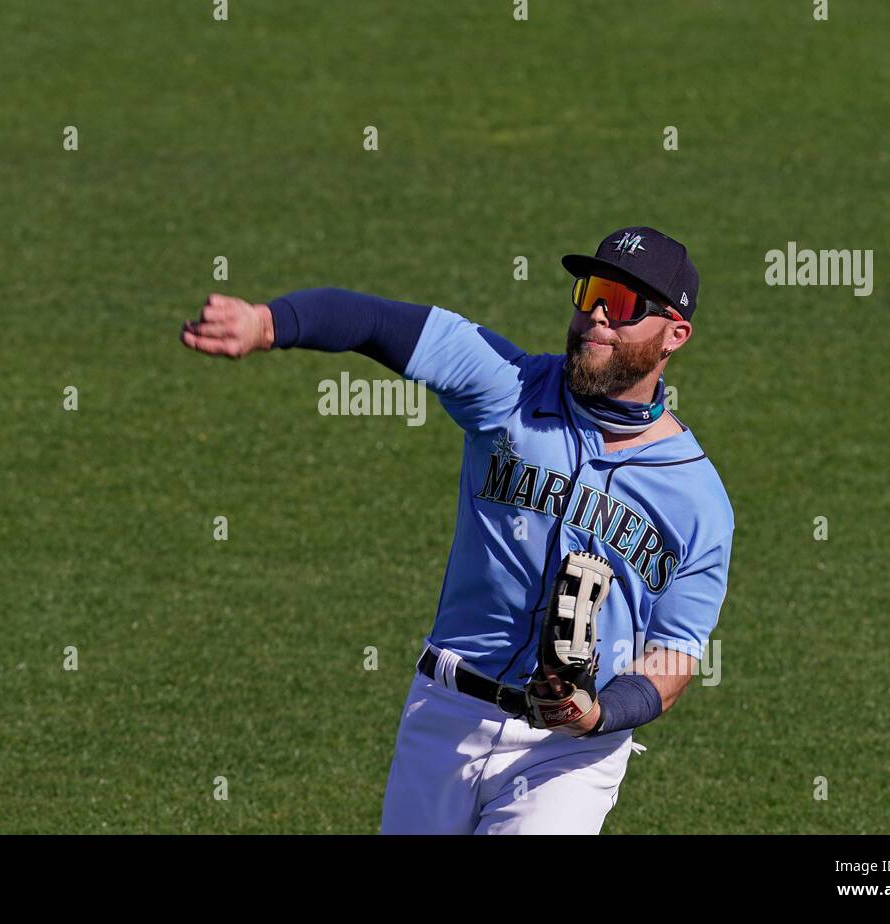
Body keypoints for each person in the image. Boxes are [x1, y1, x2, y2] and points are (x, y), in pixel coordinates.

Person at [180, 226, 734, 834]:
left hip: (567, 755)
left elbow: (675, 657)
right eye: (591, 292)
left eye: (623, 304)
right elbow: (376, 323)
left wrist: (596, 713)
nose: (597, 315)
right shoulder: (510, 387)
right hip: (445, 715)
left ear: (674, 334)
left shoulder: (698, 502)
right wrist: (268, 324)